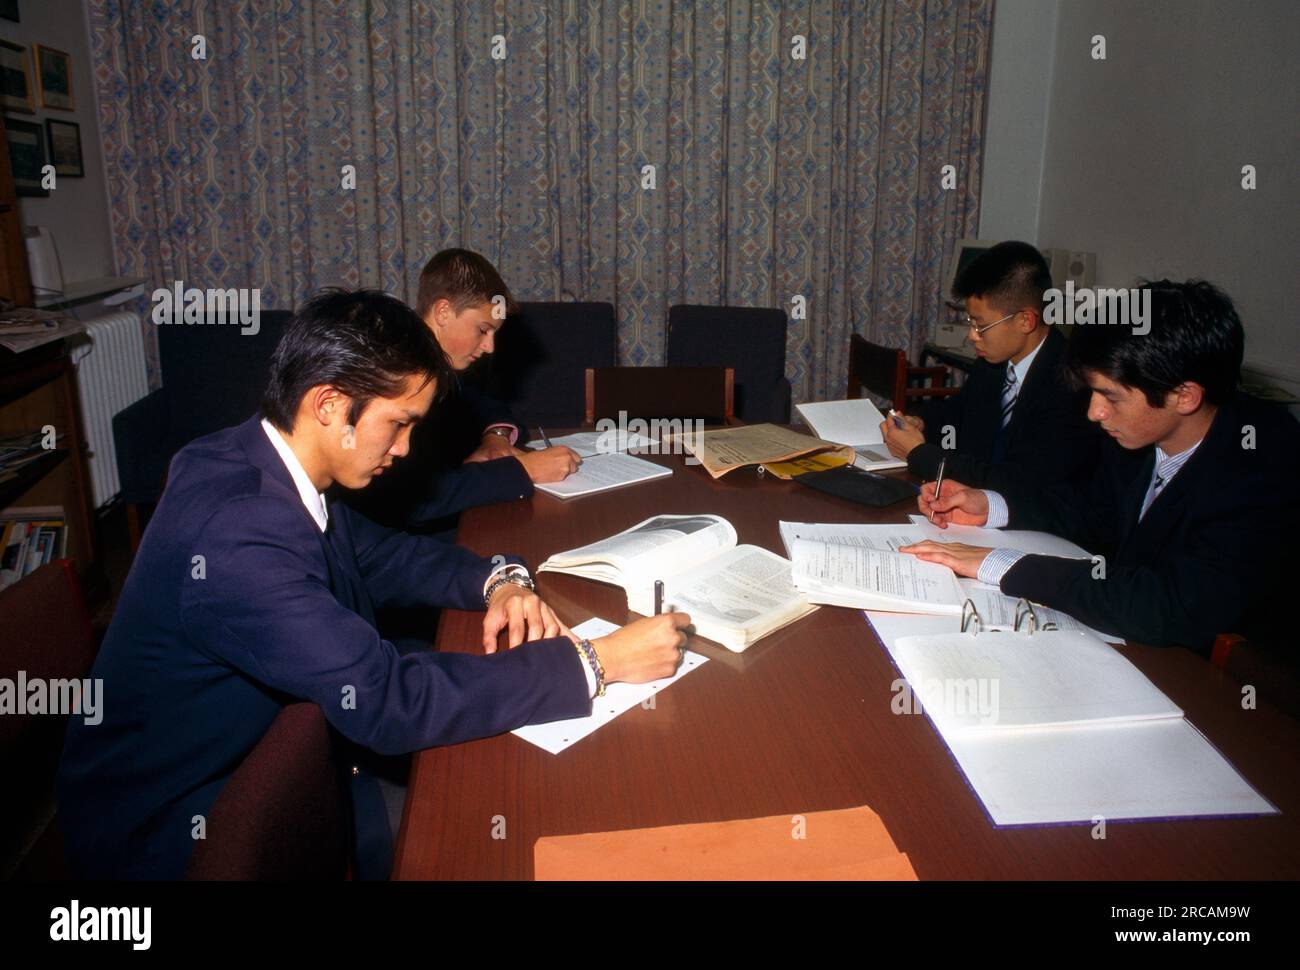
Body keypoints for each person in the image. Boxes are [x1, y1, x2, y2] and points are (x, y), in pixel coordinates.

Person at [57, 289, 690, 879]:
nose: (408, 449)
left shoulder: (262, 460)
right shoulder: (236, 536)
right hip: (170, 826)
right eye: (400, 423)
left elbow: (380, 557)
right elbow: (387, 701)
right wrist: (598, 660)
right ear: (329, 404)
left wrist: (497, 579)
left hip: (268, 750)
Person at [900, 279, 1296, 654]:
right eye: (1092, 392)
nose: (1094, 412)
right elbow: (1090, 512)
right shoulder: (1139, 435)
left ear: (1185, 396)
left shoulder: (1261, 465)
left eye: (1111, 397)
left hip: (1223, 690)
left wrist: (1001, 565)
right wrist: (991, 505)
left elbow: (1170, 606)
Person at [346, 248, 580, 531]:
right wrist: (524, 470)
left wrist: (495, 437)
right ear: (443, 311)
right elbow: (408, 498)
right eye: (483, 330)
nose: (489, 347)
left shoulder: (448, 366)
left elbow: (491, 408)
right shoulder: (393, 374)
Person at [880, 241, 1100, 491]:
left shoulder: (1072, 386)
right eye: (970, 322)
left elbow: (1015, 481)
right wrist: (920, 422)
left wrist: (919, 454)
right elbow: (959, 414)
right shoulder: (992, 364)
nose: (972, 336)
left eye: (981, 325)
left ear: (1025, 320)